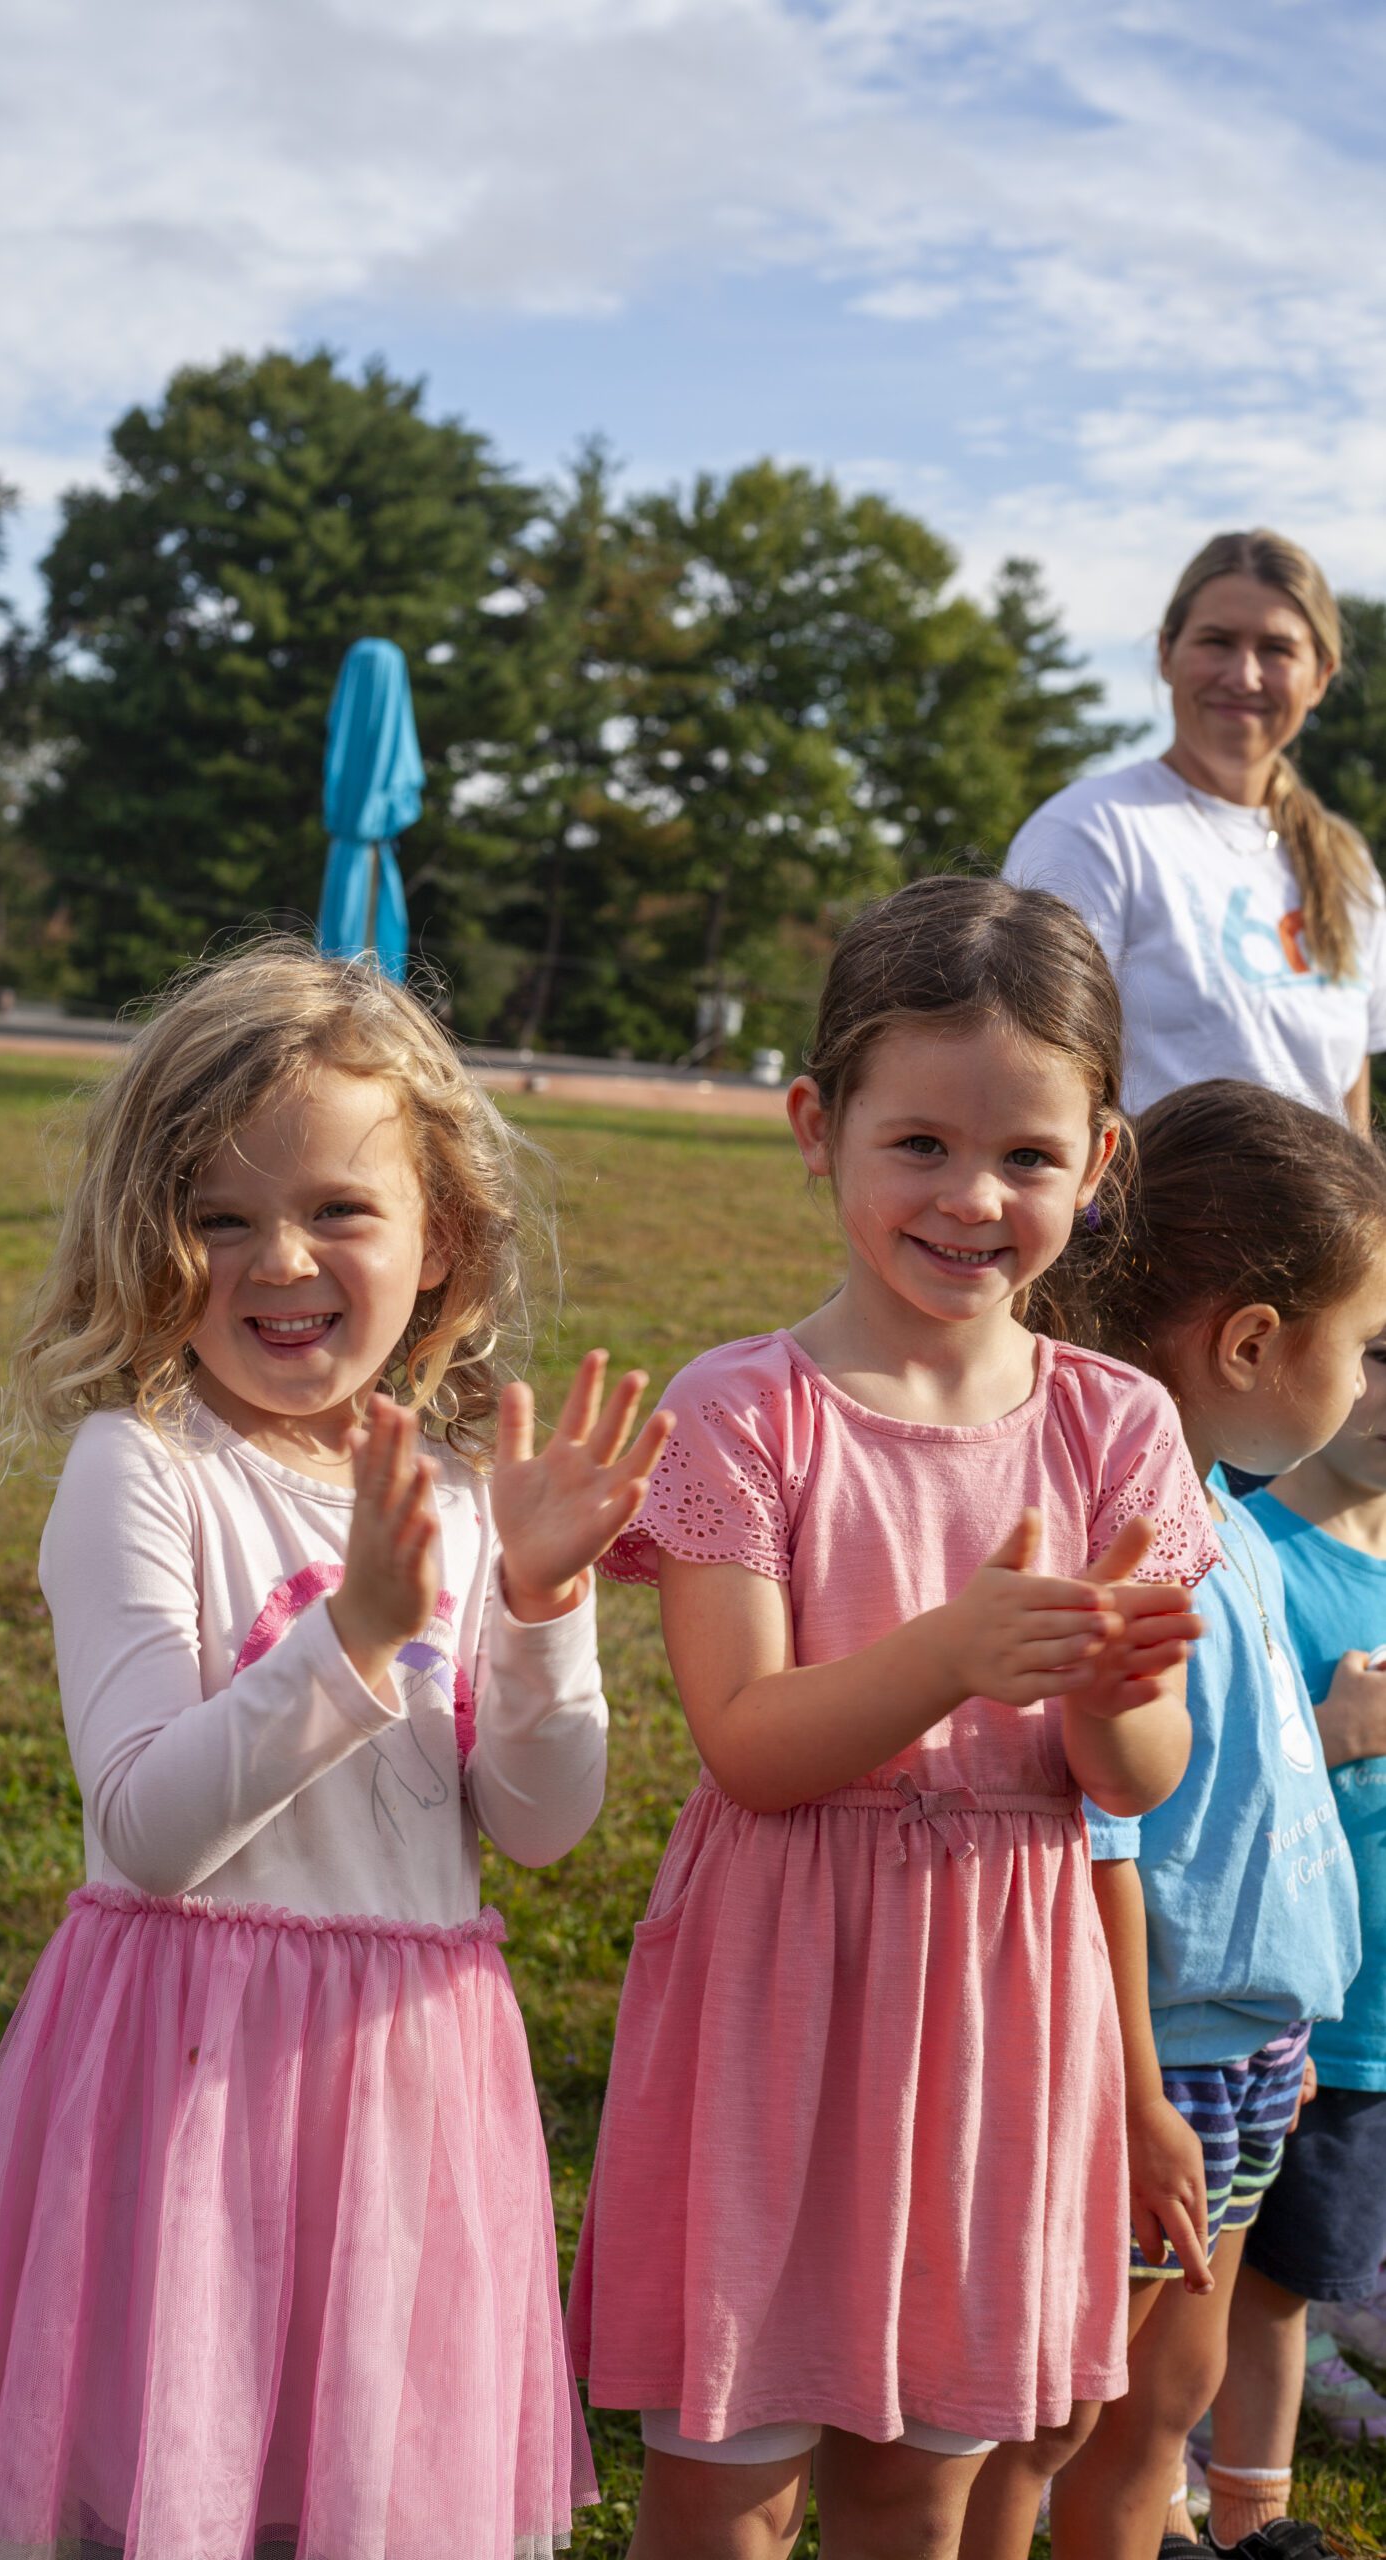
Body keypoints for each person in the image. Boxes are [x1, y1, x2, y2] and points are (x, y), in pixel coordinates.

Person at [0, 940, 672, 2560]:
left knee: (371, 2490)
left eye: (337, 1210)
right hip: (186, 2084)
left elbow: (535, 1824)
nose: (278, 1259)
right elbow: (150, 1828)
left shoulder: (461, 1494)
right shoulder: (138, 1469)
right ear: (146, 1235)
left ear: (441, 1237)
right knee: (177, 2469)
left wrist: (537, 1599)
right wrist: (355, 1634)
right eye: (221, 1217)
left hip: (409, 2083)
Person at [568, 874, 1217, 2560]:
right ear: (817, 1127)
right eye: (917, 1144)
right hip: (784, 1989)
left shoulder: (1117, 1428)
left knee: (916, 2491)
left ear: (1100, 1163)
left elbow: (1131, 1781)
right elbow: (751, 1746)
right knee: (726, 2485)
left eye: (1025, 1157)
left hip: (1006, 2000)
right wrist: (956, 1648)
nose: (969, 1198)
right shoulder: (742, 1412)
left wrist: (1112, 1693)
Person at [1043, 1080, 1384, 2560]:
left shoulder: (1223, 1513)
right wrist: (1130, 2091)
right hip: (1157, 2069)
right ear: (1249, 1341)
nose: (1372, 1376)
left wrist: (1289, 2020)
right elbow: (1106, 1837)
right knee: (1075, 2419)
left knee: (1168, 2392)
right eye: (1367, 1347)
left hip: (1242, 2052)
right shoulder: (1137, 1545)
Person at [1004, 529, 1386, 1135]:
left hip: (1323, 1232)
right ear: (1165, 653)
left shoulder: (1346, 864)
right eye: (1217, 641)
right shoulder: (1090, 831)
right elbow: (1027, 1075)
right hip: (1149, 1228)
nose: (1245, 675)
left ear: (1321, 676)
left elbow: (1349, 1100)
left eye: (1278, 649)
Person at [1197, 1342, 1386, 2539]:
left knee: (1292, 2281)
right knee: (1230, 2287)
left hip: (1370, 2033)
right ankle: (1153, 2493)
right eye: (1382, 1354)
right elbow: (1188, 1778)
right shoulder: (1245, 1547)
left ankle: (1251, 2522)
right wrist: (1334, 1727)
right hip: (1285, 2014)